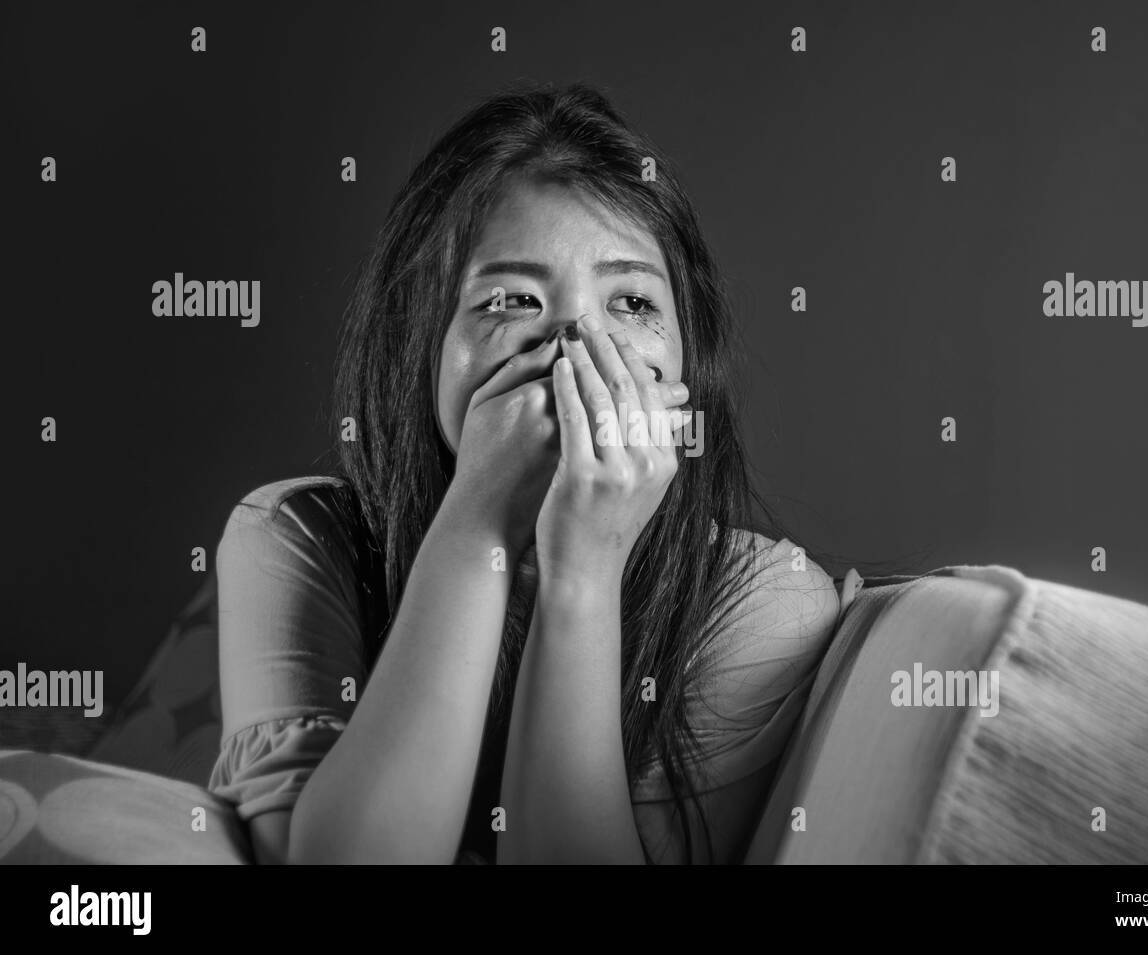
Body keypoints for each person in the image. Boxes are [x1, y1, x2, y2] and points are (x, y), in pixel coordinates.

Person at [208, 81, 853, 864]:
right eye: (511, 298)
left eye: (633, 305)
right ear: (421, 349)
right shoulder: (297, 539)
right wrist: (481, 517)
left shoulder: (763, 597)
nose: (577, 348)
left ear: (688, 364)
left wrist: (582, 568)